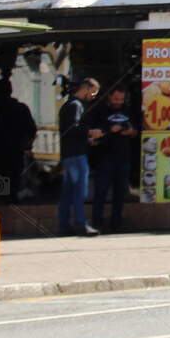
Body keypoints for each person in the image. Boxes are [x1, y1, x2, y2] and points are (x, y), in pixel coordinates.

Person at [86, 86, 137, 232]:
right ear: (109, 97)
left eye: (121, 99)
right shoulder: (101, 111)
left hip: (124, 157)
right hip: (105, 157)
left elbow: (135, 131)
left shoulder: (128, 110)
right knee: (100, 192)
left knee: (120, 193)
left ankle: (117, 223)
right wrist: (109, 130)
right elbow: (93, 133)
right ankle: (97, 222)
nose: (118, 102)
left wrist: (129, 131)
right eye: (116, 99)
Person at [58, 78, 100, 236]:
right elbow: (72, 129)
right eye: (94, 91)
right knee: (79, 191)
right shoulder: (76, 105)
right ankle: (80, 223)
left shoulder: (69, 105)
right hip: (76, 155)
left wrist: (87, 139)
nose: (94, 95)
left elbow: (69, 132)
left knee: (68, 191)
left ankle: (64, 225)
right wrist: (90, 132)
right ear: (86, 88)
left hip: (69, 154)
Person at [0, 79, 39, 201]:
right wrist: (27, 147)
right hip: (15, 150)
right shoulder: (20, 108)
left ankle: (0, 204)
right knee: (13, 181)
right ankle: (11, 203)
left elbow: (31, 130)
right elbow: (32, 130)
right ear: (11, 91)